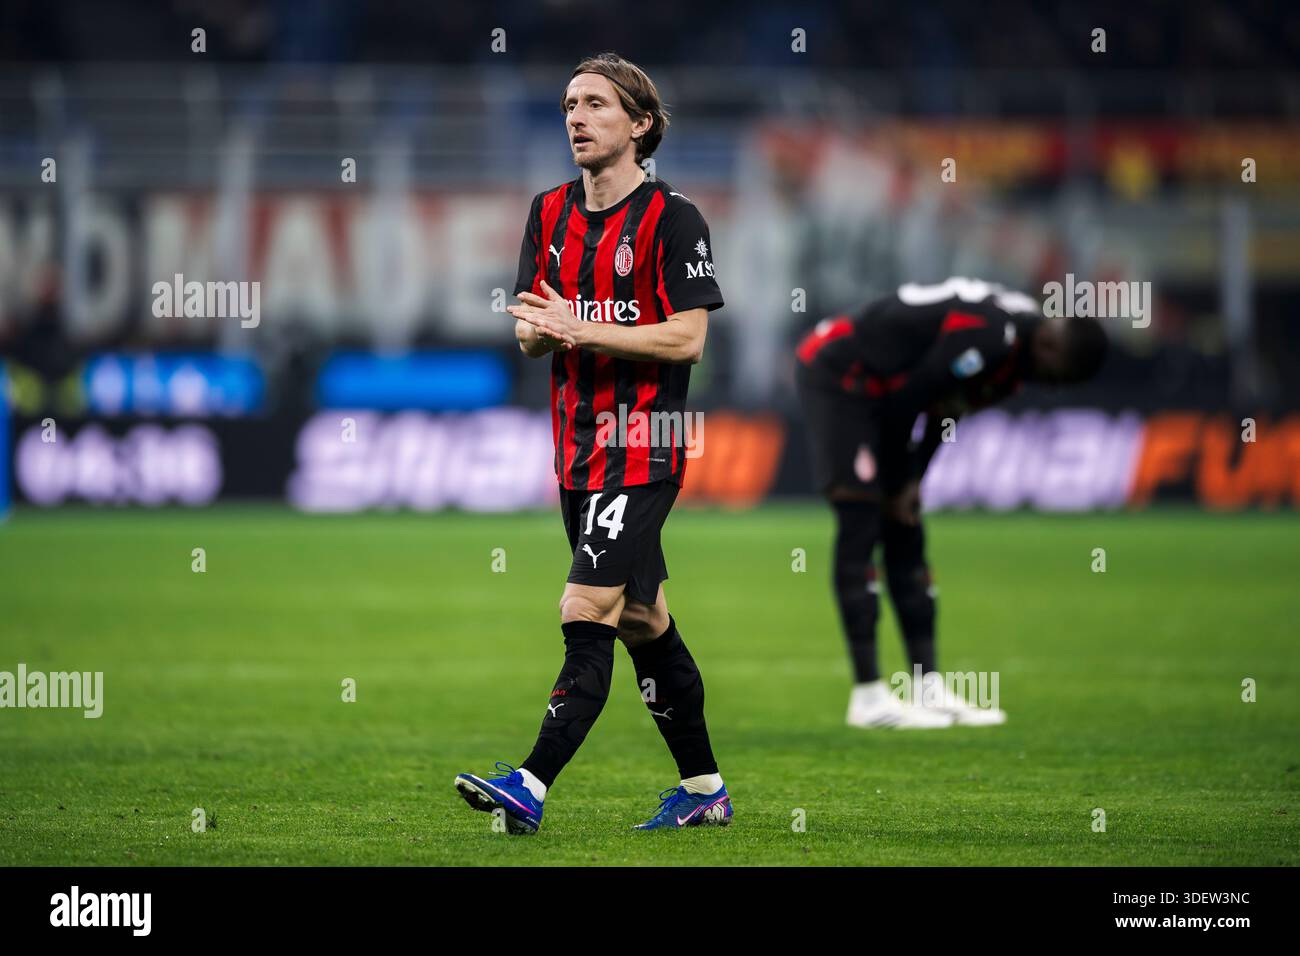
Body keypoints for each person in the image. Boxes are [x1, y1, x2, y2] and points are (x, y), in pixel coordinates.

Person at [454, 53, 731, 833]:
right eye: (570, 103)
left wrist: (585, 326)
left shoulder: (675, 218)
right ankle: (705, 790)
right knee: (643, 619)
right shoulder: (547, 213)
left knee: (586, 604)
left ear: (639, 125)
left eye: (597, 105)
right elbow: (529, 330)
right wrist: (541, 334)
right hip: (575, 449)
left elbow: (688, 340)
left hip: (645, 440)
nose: (576, 117)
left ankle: (531, 785)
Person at [794, 278, 1108, 729]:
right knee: (860, 515)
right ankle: (867, 696)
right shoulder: (993, 337)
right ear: (1049, 346)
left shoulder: (1019, 346)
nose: (1049, 387)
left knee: (905, 527)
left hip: (888, 391)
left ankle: (928, 687)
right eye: (1055, 376)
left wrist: (913, 480)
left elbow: (945, 409)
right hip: (841, 372)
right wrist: (903, 479)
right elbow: (910, 398)